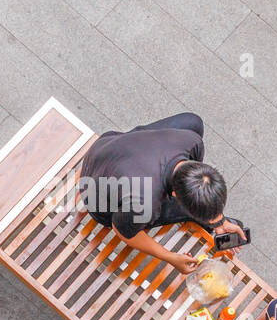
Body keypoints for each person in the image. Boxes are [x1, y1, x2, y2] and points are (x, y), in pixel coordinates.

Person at [80, 112, 245, 275]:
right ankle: (199, 215)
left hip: (111, 146)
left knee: (193, 121)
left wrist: (218, 220)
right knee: (144, 211)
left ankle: (207, 216)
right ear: (173, 195)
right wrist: (170, 257)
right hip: (95, 193)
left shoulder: (191, 141)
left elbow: (197, 185)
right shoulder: (145, 204)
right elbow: (122, 230)